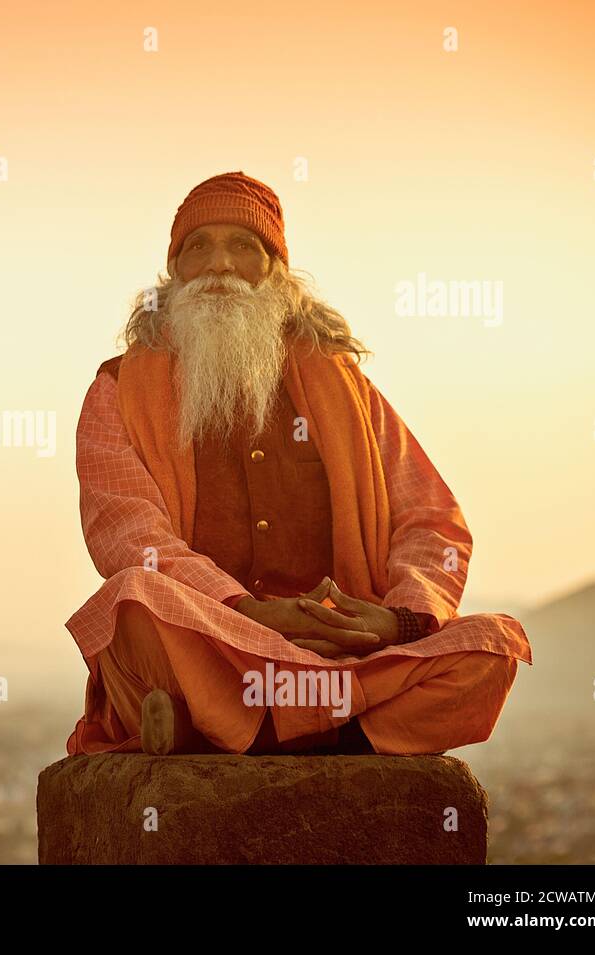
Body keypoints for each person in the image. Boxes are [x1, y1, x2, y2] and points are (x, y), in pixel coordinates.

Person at [65, 172, 531, 757]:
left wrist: (399, 621)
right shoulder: (120, 387)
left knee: (492, 646)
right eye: (198, 248)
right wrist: (248, 612)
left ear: (277, 274)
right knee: (133, 600)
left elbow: (432, 519)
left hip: (342, 656)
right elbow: (128, 532)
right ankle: (330, 737)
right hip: (218, 644)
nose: (219, 266)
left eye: (243, 247)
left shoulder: (345, 387)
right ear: (174, 272)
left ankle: (233, 734)